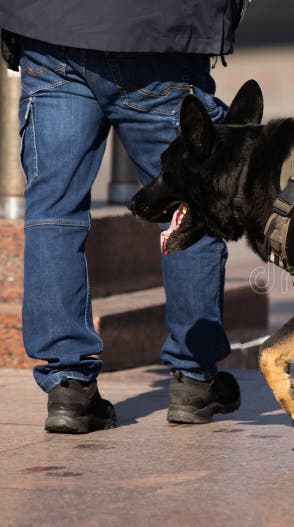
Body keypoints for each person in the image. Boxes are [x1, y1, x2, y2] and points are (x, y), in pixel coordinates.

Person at [0, 1, 249, 433]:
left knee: (55, 210)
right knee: (191, 205)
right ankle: (194, 378)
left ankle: (68, 385)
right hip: (156, 36)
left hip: (52, 30)